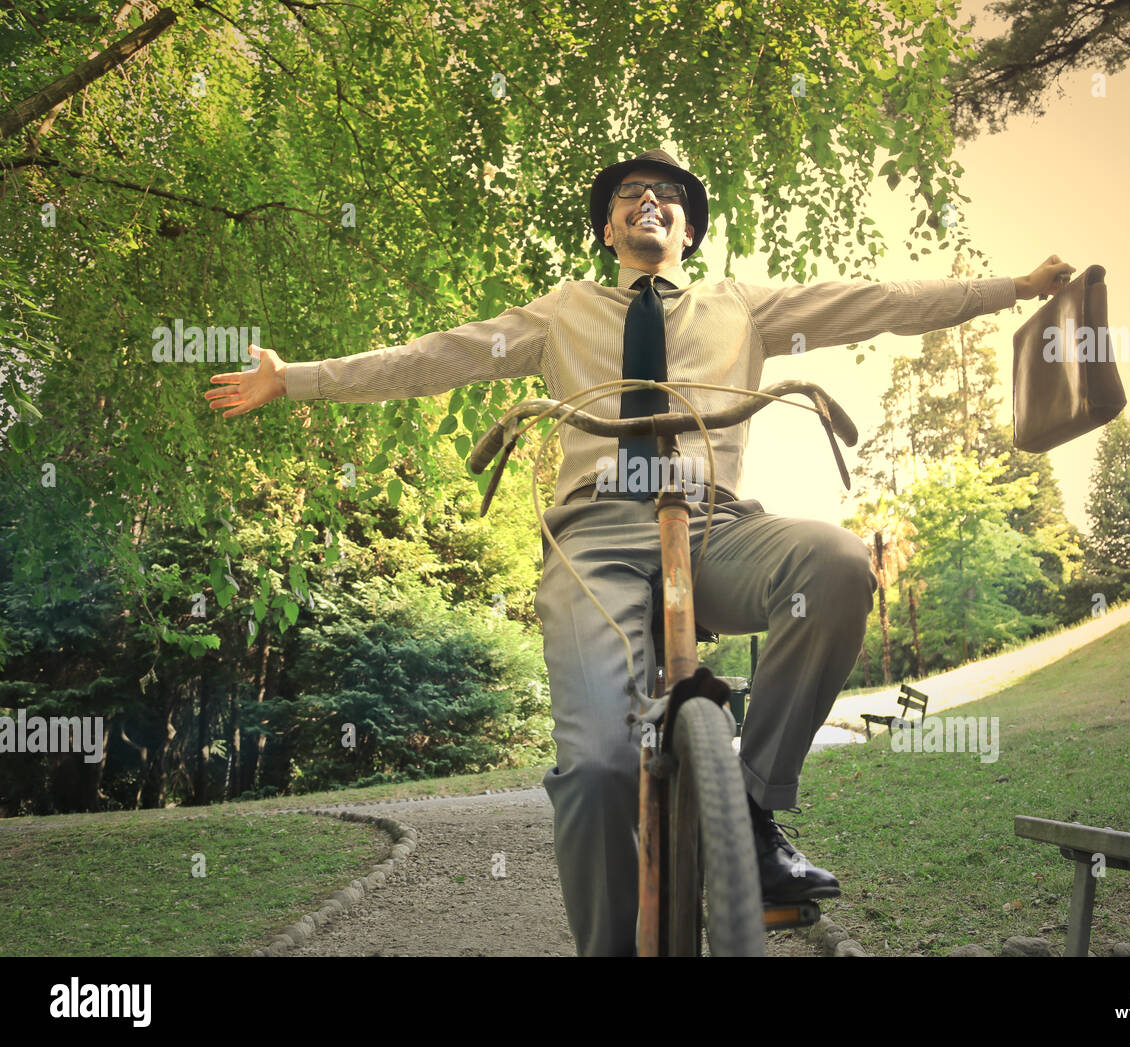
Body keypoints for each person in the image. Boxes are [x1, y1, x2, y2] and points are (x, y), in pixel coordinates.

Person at [206, 147, 1074, 956]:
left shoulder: (743, 308)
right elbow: (435, 358)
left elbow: (877, 301)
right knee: (594, 770)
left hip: (718, 526)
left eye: (669, 198)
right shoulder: (561, 313)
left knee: (837, 562)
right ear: (610, 228)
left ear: (688, 230)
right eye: (631, 196)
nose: (650, 202)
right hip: (596, 536)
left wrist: (1013, 288)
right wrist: (299, 377)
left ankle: (752, 804)